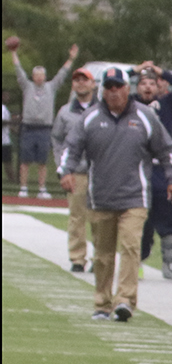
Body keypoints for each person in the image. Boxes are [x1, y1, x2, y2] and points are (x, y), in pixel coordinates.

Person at [58, 67, 172, 322]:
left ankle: (125, 300)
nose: (113, 92)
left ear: (127, 88)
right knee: (102, 254)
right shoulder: (90, 118)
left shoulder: (145, 117)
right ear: (103, 90)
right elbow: (72, 146)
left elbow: (165, 149)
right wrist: (65, 172)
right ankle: (102, 302)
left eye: (118, 87)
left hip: (134, 196)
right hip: (100, 196)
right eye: (109, 87)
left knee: (130, 246)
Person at [131, 62, 172, 279]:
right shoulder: (129, 105)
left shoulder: (167, 104)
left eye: (152, 83)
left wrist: (162, 72)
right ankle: (135, 264)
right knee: (137, 218)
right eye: (143, 83)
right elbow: (108, 81)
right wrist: (134, 70)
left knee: (170, 215)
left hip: (162, 169)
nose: (148, 87)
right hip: (137, 169)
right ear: (135, 87)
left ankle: (171, 264)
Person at [11, 42, 77, 199]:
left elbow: (63, 73)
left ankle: (42, 189)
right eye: (37, 74)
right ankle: (24, 187)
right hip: (28, 127)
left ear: (45, 76)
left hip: (45, 128)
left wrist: (71, 59)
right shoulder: (27, 86)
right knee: (25, 161)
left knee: (42, 161)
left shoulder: (51, 87)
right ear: (33, 77)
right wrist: (13, 52)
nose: (39, 77)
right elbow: (19, 71)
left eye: (42, 74)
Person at [52, 66, 98, 272]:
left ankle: (100, 258)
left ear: (93, 83)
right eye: (77, 80)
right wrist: (63, 168)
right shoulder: (65, 111)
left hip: (100, 171)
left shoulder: (103, 109)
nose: (81, 83)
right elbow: (57, 139)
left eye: (85, 79)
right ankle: (77, 258)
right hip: (77, 171)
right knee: (77, 216)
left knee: (101, 217)